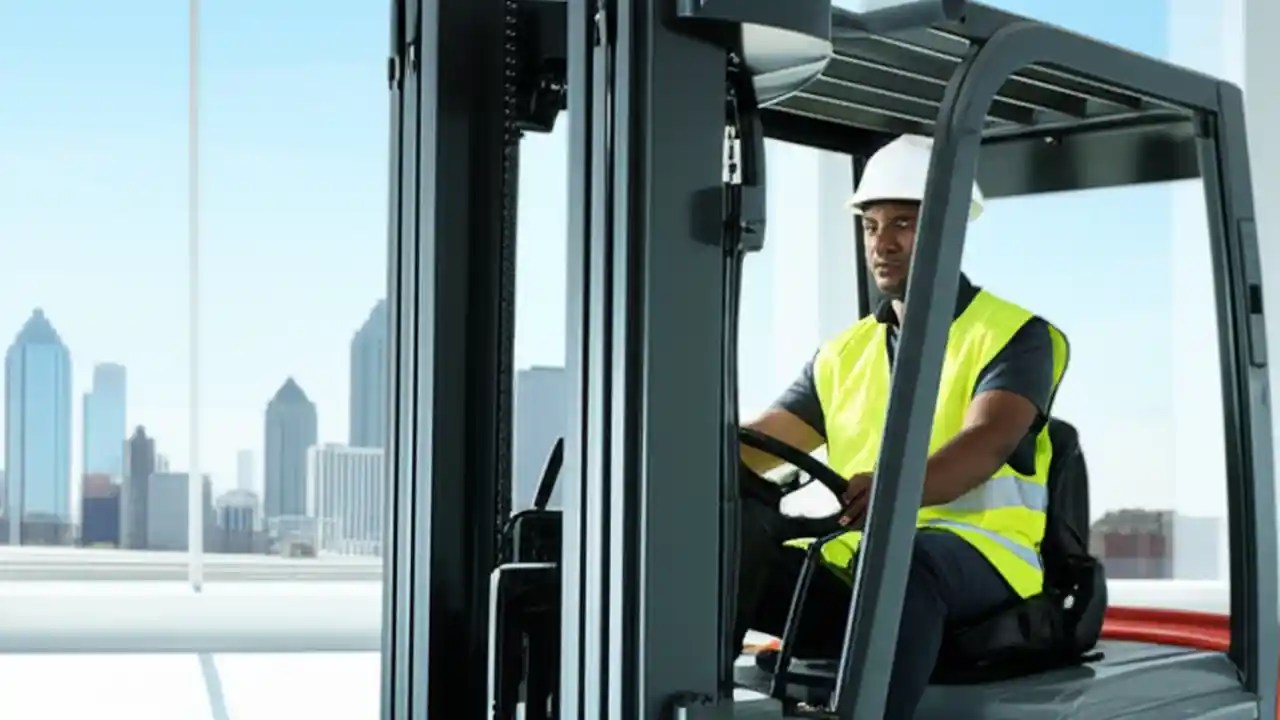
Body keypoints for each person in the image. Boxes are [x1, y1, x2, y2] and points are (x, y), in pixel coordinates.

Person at [735, 133, 1069, 718]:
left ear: (951, 229)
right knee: (729, 548)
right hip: (861, 562)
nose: (882, 244)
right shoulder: (842, 354)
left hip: (980, 560)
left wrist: (893, 490)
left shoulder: (1015, 336)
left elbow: (987, 441)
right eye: (871, 225)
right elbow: (762, 445)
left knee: (902, 562)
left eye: (903, 224)